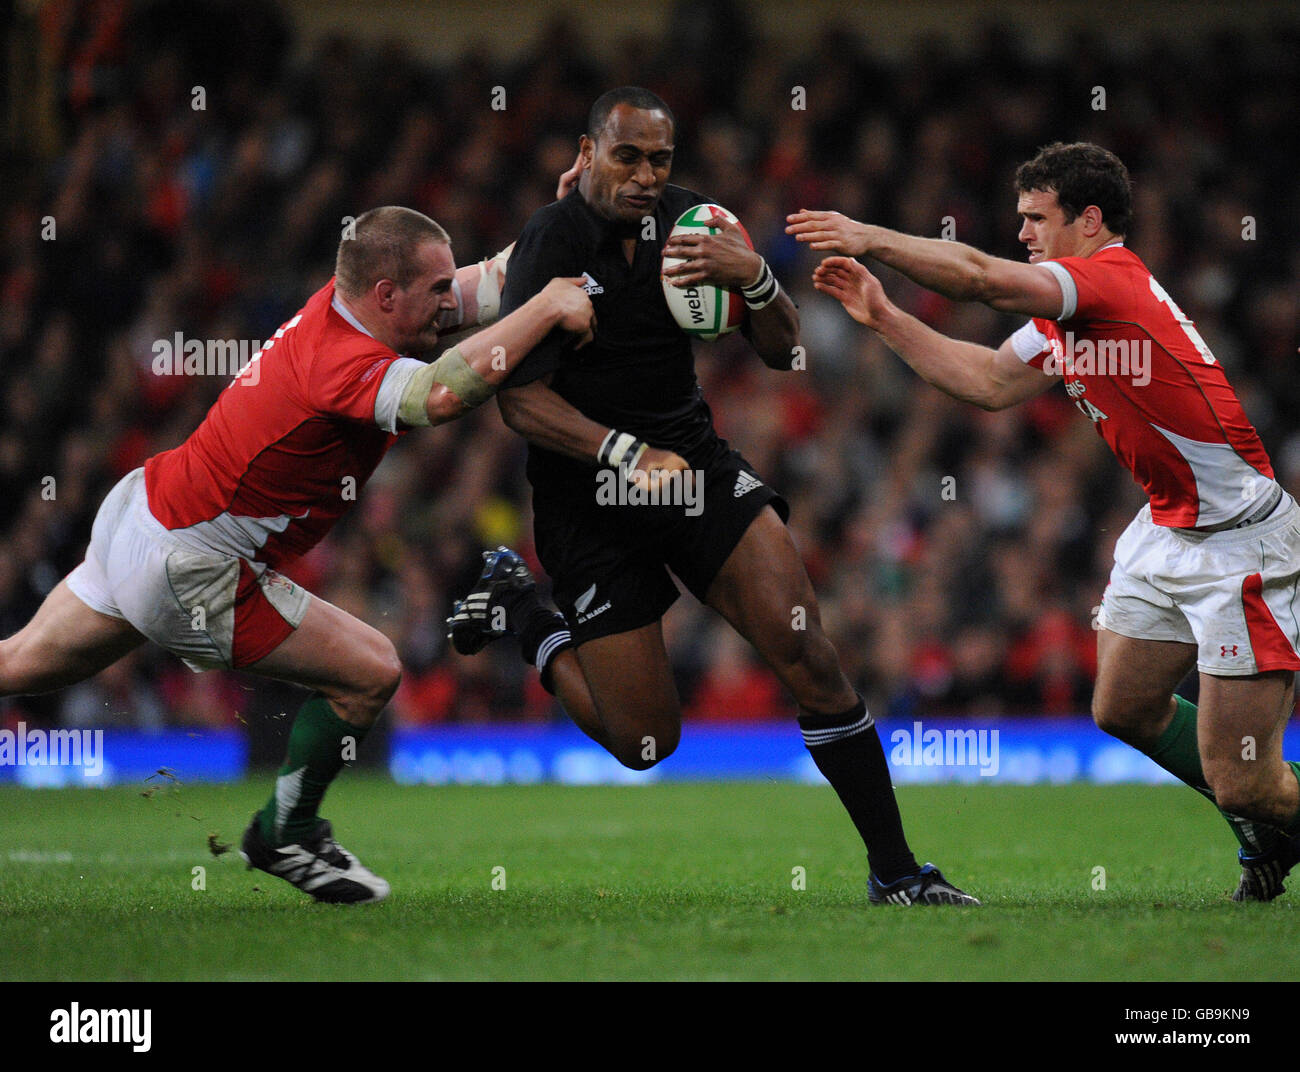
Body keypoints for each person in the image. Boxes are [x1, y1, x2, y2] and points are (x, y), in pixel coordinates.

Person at [447, 86, 978, 906]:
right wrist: (626, 453)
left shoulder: (696, 224)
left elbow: (780, 352)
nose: (646, 175)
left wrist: (758, 279)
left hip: (694, 470)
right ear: (588, 155)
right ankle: (527, 615)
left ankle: (898, 872)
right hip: (588, 499)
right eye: (627, 156)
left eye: (660, 159)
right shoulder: (547, 243)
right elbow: (518, 401)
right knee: (647, 741)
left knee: (811, 657)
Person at [0, 206, 596, 903]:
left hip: (143, 511)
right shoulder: (339, 362)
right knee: (370, 671)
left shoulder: (348, 308)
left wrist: (568, 222)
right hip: (188, 567)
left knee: (12, 662)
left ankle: (286, 830)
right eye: (436, 291)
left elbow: (492, 281)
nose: (449, 301)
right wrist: (549, 306)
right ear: (385, 296)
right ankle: (284, 831)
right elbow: (440, 394)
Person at [788, 141, 1300, 901]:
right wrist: (885, 316)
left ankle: (1264, 817)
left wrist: (873, 237)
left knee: (1241, 780)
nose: (1022, 233)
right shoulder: (1068, 314)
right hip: (1167, 527)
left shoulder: (1109, 283)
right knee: (1122, 706)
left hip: (1239, 542)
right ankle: (1262, 823)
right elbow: (990, 381)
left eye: (1036, 218)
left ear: (1089, 221)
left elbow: (981, 279)